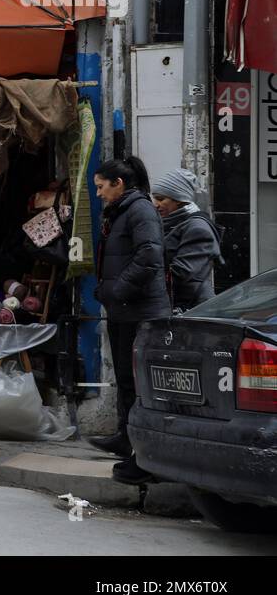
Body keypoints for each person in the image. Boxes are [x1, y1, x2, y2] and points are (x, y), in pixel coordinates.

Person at [91, 156, 171, 484]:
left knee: (139, 386)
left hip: (140, 312)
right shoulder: (123, 210)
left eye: (100, 187)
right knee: (125, 381)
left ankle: (145, 460)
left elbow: (150, 257)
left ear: (118, 183)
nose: (98, 194)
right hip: (125, 310)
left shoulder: (139, 210)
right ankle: (127, 441)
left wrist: (116, 291)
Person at [152, 168, 221, 311]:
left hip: (193, 308)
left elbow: (182, 272)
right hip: (176, 304)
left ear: (179, 200)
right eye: (155, 198)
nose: (156, 204)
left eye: (161, 199)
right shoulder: (168, 223)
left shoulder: (197, 228)